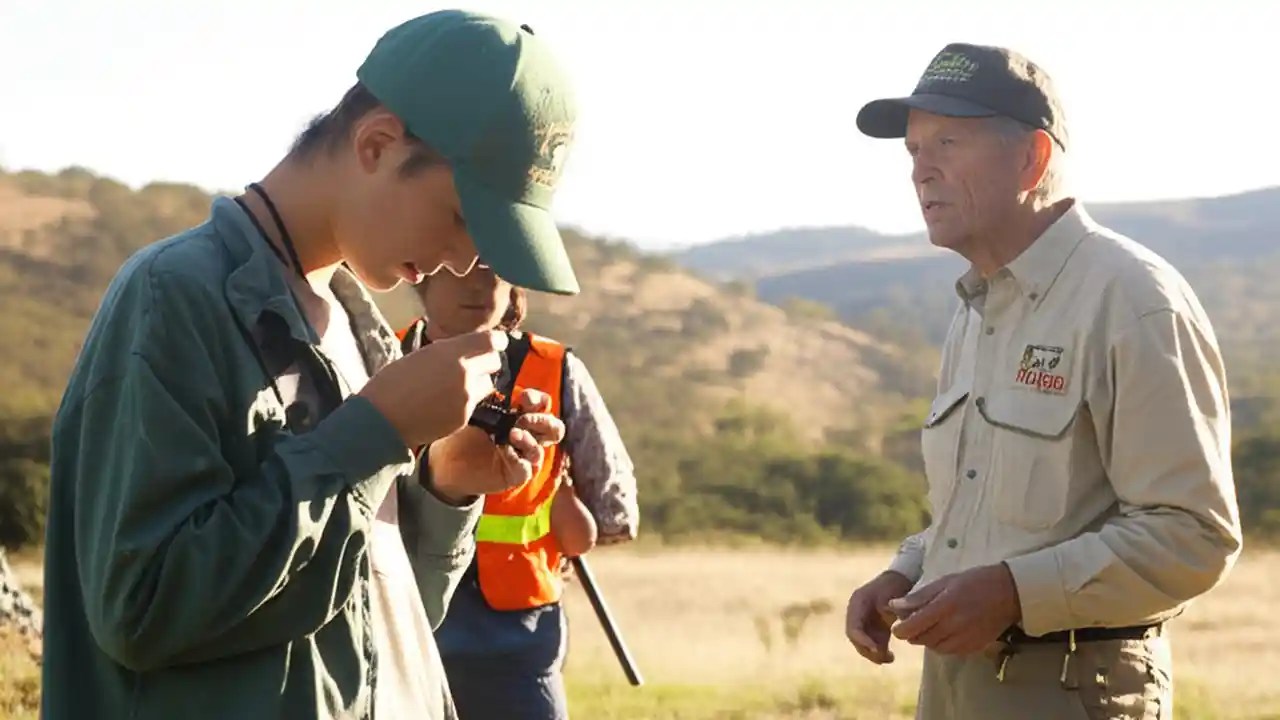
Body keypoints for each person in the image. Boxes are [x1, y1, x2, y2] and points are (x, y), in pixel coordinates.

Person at [41, 10, 584, 720]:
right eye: (460, 218)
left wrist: (447, 489)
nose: (460, 263)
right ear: (378, 144)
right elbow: (142, 608)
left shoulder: (364, 335)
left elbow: (376, 621)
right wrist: (375, 433)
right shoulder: (175, 299)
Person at [844, 43, 1242, 718]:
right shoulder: (977, 309)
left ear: (1031, 159)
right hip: (953, 690)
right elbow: (980, 511)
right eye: (912, 150)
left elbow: (1193, 535)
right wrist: (908, 570)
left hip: (1073, 689)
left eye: (946, 141)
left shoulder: (1133, 300)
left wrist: (1012, 593)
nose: (921, 171)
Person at [397, 263, 639, 719]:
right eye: (457, 268)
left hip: (515, 633)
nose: (474, 284)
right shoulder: (375, 352)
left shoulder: (557, 368)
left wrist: (560, 496)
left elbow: (611, 512)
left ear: (514, 289)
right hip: (403, 620)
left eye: (490, 272)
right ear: (422, 273)